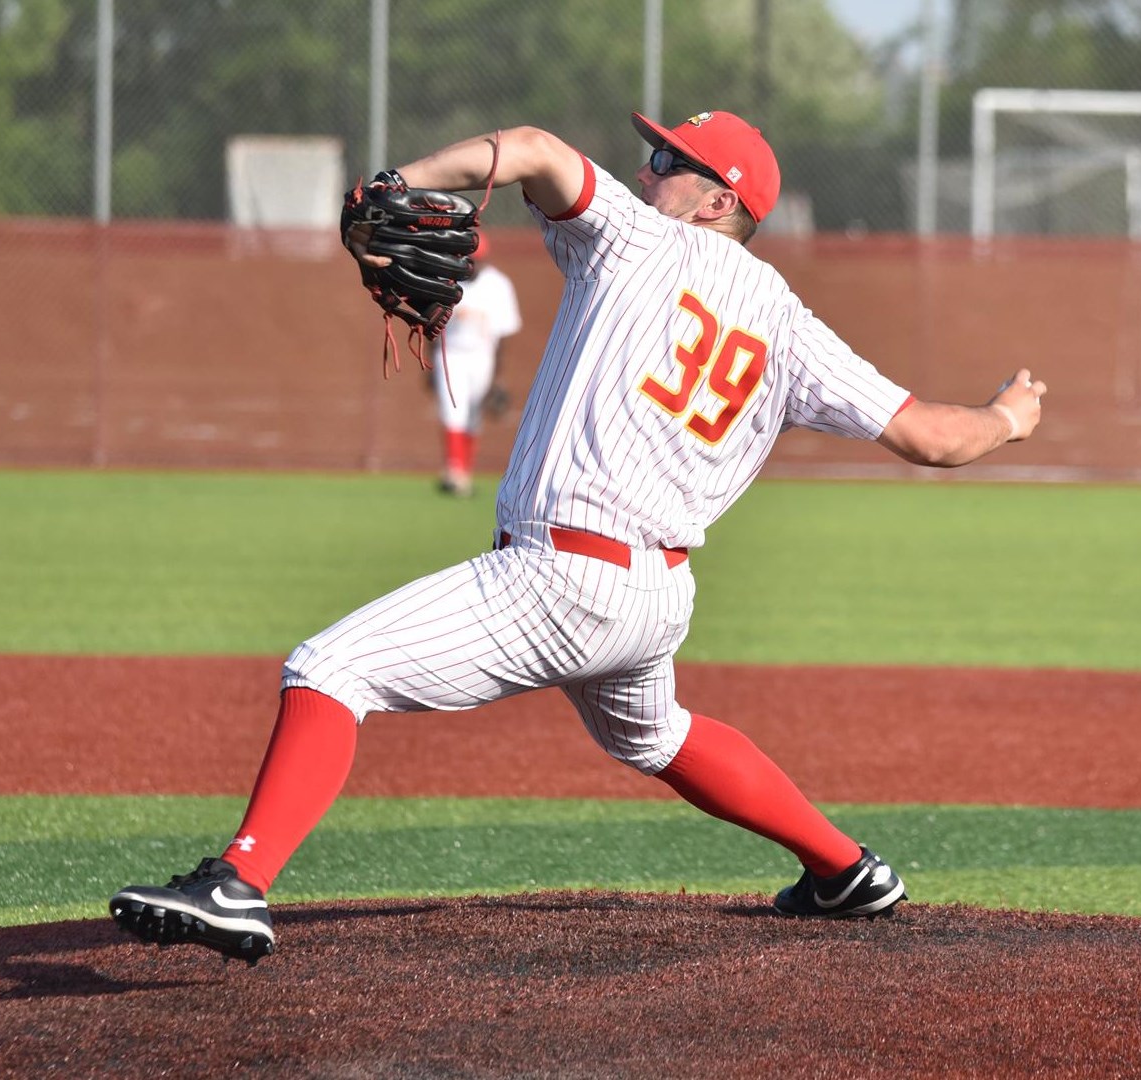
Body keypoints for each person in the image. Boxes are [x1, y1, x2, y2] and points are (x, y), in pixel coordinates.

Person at [111, 109, 1047, 963]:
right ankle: (847, 871)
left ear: (719, 198)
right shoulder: (791, 326)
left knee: (331, 667)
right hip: (654, 596)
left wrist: (396, 183)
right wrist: (1005, 417)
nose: (647, 173)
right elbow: (933, 437)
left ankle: (238, 884)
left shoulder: (638, 242)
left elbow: (535, 151)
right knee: (657, 736)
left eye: (668, 161)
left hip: (565, 574)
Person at [430, 232, 522, 497]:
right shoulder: (446, 280)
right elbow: (432, 325)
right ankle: (454, 470)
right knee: (451, 411)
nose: (471, 263)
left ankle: (463, 472)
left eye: (475, 259)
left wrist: (498, 377)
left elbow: (504, 334)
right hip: (450, 355)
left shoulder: (498, 285)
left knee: (472, 417)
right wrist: (430, 362)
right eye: (467, 258)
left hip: (482, 357)